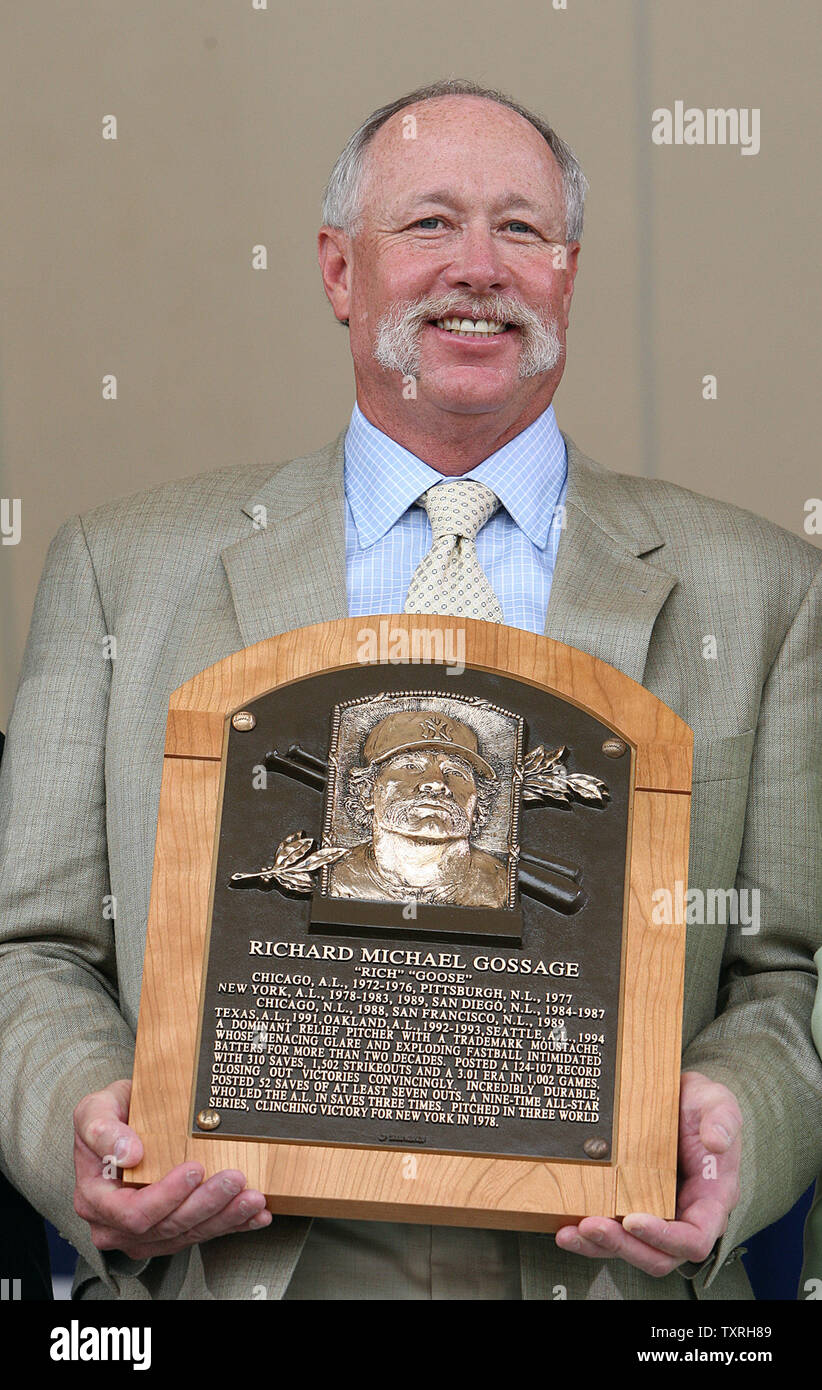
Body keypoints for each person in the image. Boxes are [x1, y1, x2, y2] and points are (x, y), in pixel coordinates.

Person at [0, 78, 820, 1301]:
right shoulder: (123, 571)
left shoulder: (766, 589)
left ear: (569, 273)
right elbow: (31, 950)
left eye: (522, 230)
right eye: (429, 224)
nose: (478, 268)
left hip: (603, 1283)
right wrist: (81, 1115)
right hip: (244, 1269)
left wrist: (740, 1122)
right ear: (339, 271)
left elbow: (788, 975)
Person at [329, 708, 507, 908]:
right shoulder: (336, 879)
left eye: (455, 772)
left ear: (478, 801)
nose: (436, 783)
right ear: (367, 791)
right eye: (411, 767)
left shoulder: (502, 886)